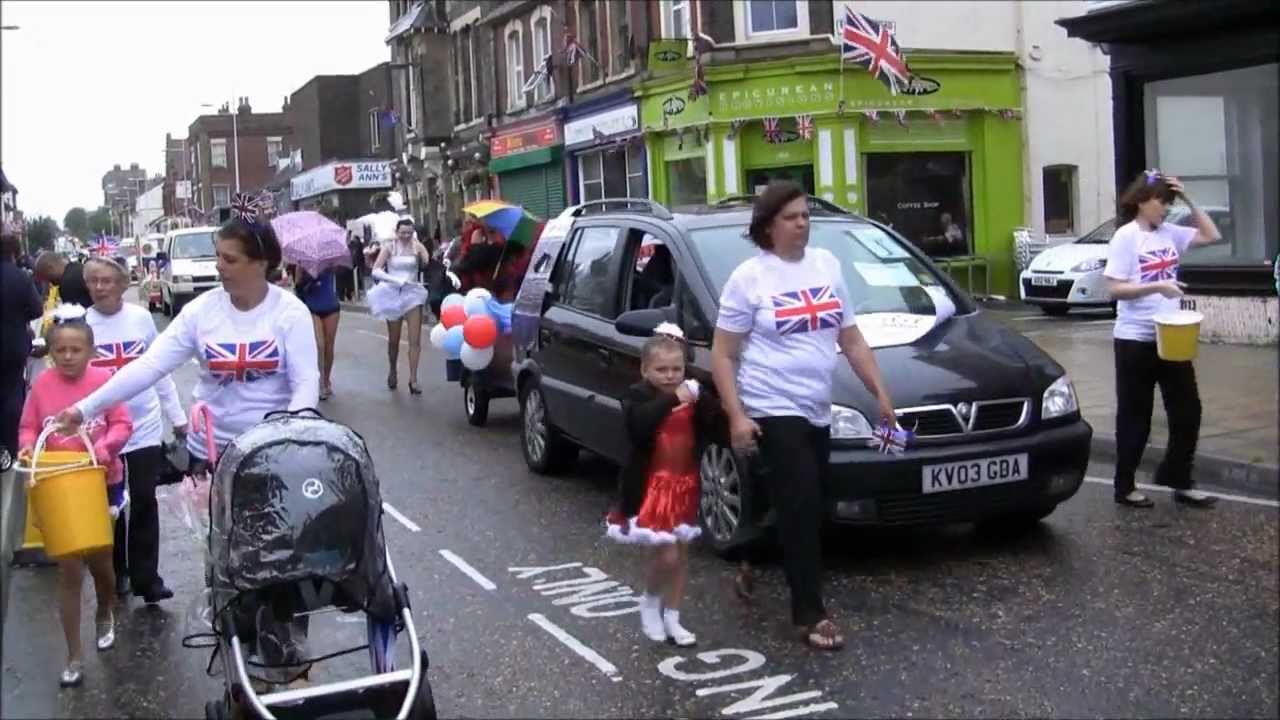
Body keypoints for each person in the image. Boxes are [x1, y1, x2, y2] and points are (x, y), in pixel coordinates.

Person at [710, 180, 895, 651]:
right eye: (792, 217)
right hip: (772, 405)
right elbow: (724, 355)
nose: (802, 224)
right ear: (769, 226)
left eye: (806, 215)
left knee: (807, 501)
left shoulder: (827, 267)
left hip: (817, 406)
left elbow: (850, 339)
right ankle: (809, 614)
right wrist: (735, 414)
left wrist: (881, 392)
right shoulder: (749, 279)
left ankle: (750, 551)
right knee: (802, 502)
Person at [55, 215, 319, 470]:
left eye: (230, 259)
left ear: (261, 263)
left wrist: (289, 441)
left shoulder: (291, 313)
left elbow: (305, 383)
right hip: (211, 453)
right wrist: (83, 409)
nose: (218, 265)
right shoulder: (200, 311)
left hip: (271, 454)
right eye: (218, 255)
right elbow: (149, 366)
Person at [18, 308, 132, 687]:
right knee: (68, 571)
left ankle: (105, 610)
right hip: (59, 484)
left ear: (90, 351)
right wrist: (25, 448)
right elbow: (29, 427)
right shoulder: (42, 386)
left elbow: (122, 423)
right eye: (60, 350)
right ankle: (74, 656)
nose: (68, 357)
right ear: (51, 353)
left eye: (76, 350)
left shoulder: (106, 380)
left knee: (101, 563)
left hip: (101, 481)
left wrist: (105, 446)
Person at [1103, 170, 1222, 509]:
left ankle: (1178, 477)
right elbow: (1114, 288)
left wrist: (1187, 198)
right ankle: (1124, 486)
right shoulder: (1127, 237)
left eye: (1170, 203)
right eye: (1162, 202)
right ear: (1142, 201)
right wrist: (1157, 286)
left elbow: (1211, 234)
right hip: (1134, 339)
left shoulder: (1170, 233)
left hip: (1171, 335)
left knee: (1188, 410)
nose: (1166, 210)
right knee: (1135, 415)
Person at [605, 324, 721, 647]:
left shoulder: (692, 395)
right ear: (645, 369)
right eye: (662, 370)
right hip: (652, 489)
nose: (670, 376)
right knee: (666, 556)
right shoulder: (637, 395)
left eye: (677, 369)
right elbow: (639, 427)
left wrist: (726, 413)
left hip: (685, 483)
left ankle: (673, 617)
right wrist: (673, 398)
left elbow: (715, 424)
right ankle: (650, 601)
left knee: (682, 556)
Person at [82, 256, 187, 602]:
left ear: (122, 285)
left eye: (107, 281)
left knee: (144, 497)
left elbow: (159, 369)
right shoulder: (82, 324)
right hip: (102, 431)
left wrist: (178, 417)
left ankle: (148, 578)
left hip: (143, 425)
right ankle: (118, 572)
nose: (100, 287)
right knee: (110, 505)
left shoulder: (141, 319)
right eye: (93, 281)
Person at [367, 219, 431, 394]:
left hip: (412, 293)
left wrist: (423, 252)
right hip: (392, 293)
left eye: (409, 232)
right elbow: (376, 270)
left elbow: (426, 262)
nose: (405, 236)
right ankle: (393, 370)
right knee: (394, 340)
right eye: (402, 232)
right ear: (397, 232)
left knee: (414, 339)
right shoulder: (390, 247)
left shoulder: (416, 246)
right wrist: (394, 279)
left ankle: (413, 379)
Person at [2, 232, 43, 463]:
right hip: (12, 346)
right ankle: (11, 448)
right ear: (14, 253)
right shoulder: (19, 277)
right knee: (12, 395)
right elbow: (36, 310)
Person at [293, 266, 341, 400]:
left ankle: (326, 380)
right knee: (319, 345)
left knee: (329, 345)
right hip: (312, 306)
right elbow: (297, 287)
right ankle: (319, 383)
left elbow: (340, 271)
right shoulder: (302, 263)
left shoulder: (330, 261)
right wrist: (309, 280)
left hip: (331, 305)